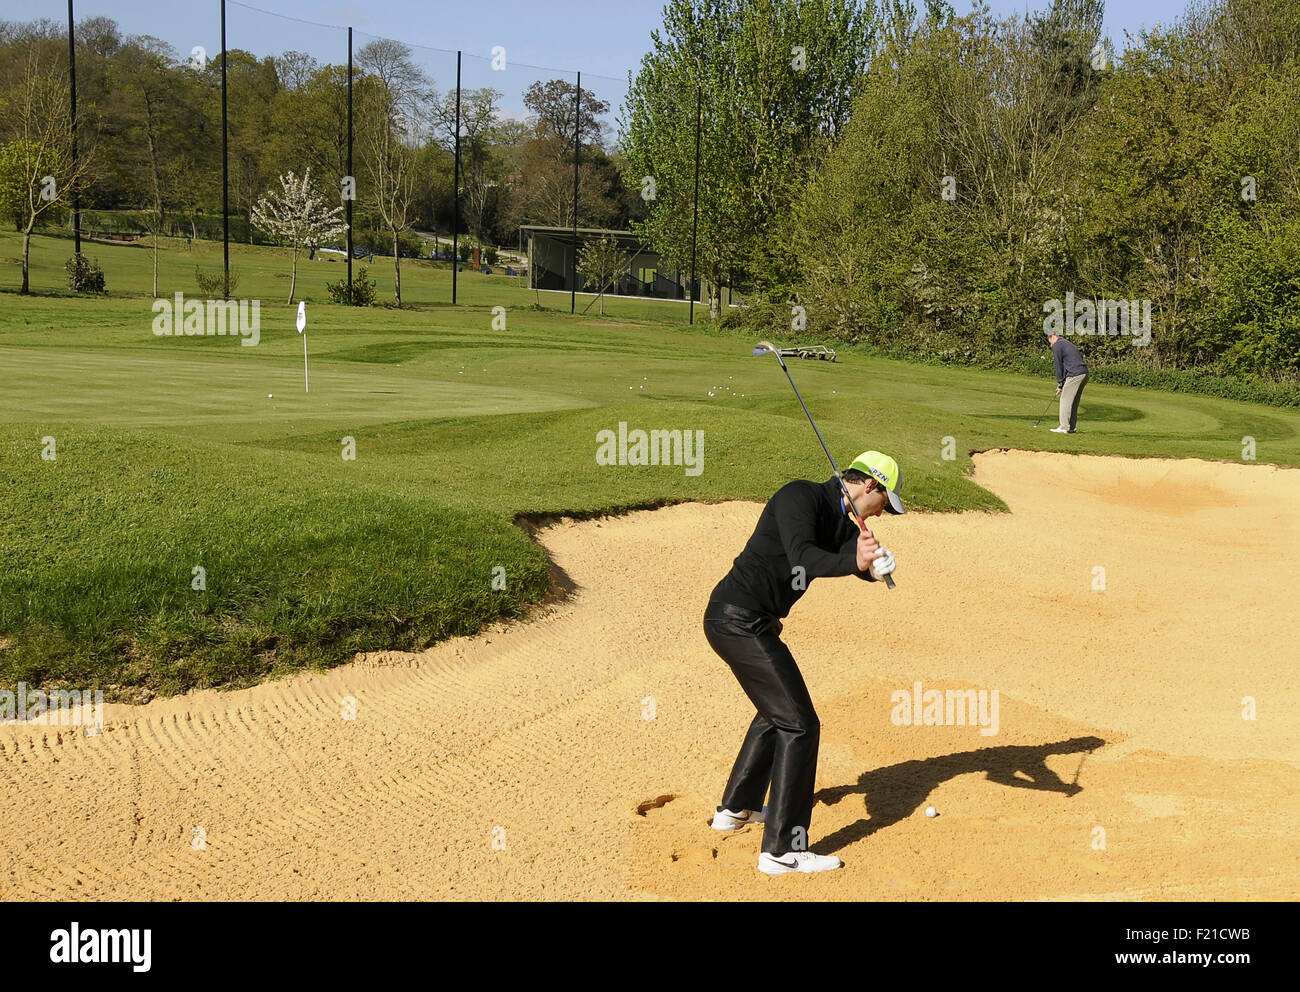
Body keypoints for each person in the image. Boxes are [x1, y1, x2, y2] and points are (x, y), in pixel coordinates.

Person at [703, 450, 904, 875]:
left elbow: (851, 557)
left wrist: (873, 567)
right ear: (870, 485)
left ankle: (735, 809)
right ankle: (783, 849)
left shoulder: (838, 521)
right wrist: (857, 561)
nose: (882, 513)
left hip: (753, 623)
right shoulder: (801, 497)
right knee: (801, 723)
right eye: (885, 502)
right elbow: (802, 557)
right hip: (736, 619)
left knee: (777, 714)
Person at [1047, 332, 1088, 434]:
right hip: (1084, 373)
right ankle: (1072, 427)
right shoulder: (1066, 343)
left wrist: (1060, 382)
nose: (1050, 345)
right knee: (1074, 401)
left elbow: (1058, 365)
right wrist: (1062, 382)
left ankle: (1064, 427)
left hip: (1075, 374)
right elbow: (1067, 364)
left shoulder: (1057, 345)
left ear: (1053, 337)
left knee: (1065, 399)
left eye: (1050, 342)